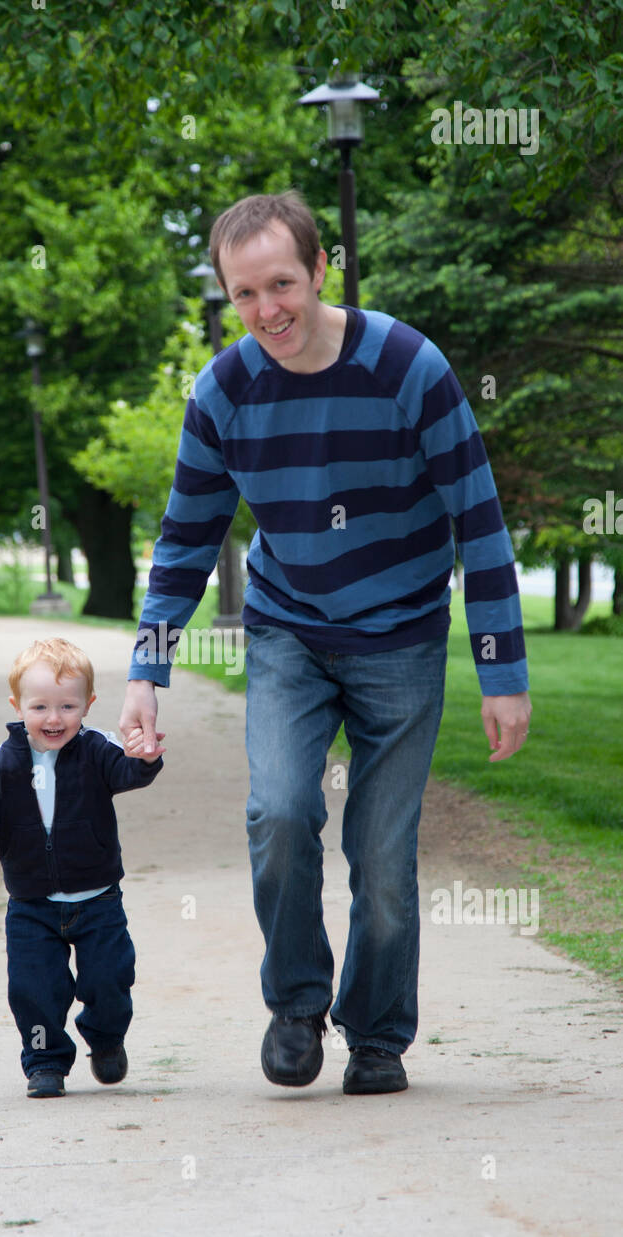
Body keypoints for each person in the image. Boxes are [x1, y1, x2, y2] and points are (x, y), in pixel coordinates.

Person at [119, 190, 531, 1097]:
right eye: (244, 294)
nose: (268, 310)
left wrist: (502, 668)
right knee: (278, 812)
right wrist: (147, 668)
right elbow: (186, 538)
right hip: (288, 629)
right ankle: (297, 1004)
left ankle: (376, 1036)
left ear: (320, 270)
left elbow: (480, 517)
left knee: (383, 856)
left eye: (282, 284)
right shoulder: (223, 391)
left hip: (402, 638)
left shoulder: (407, 365)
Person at [0, 636, 164, 1097]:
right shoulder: (6, 764)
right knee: (33, 989)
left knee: (109, 981)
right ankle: (45, 1062)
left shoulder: (96, 749)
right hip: (31, 906)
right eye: (40, 706)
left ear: (88, 705)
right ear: (17, 705)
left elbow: (126, 772)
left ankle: (106, 1039)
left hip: (98, 899)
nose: (54, 718)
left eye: (68, 706)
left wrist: (143, 759)